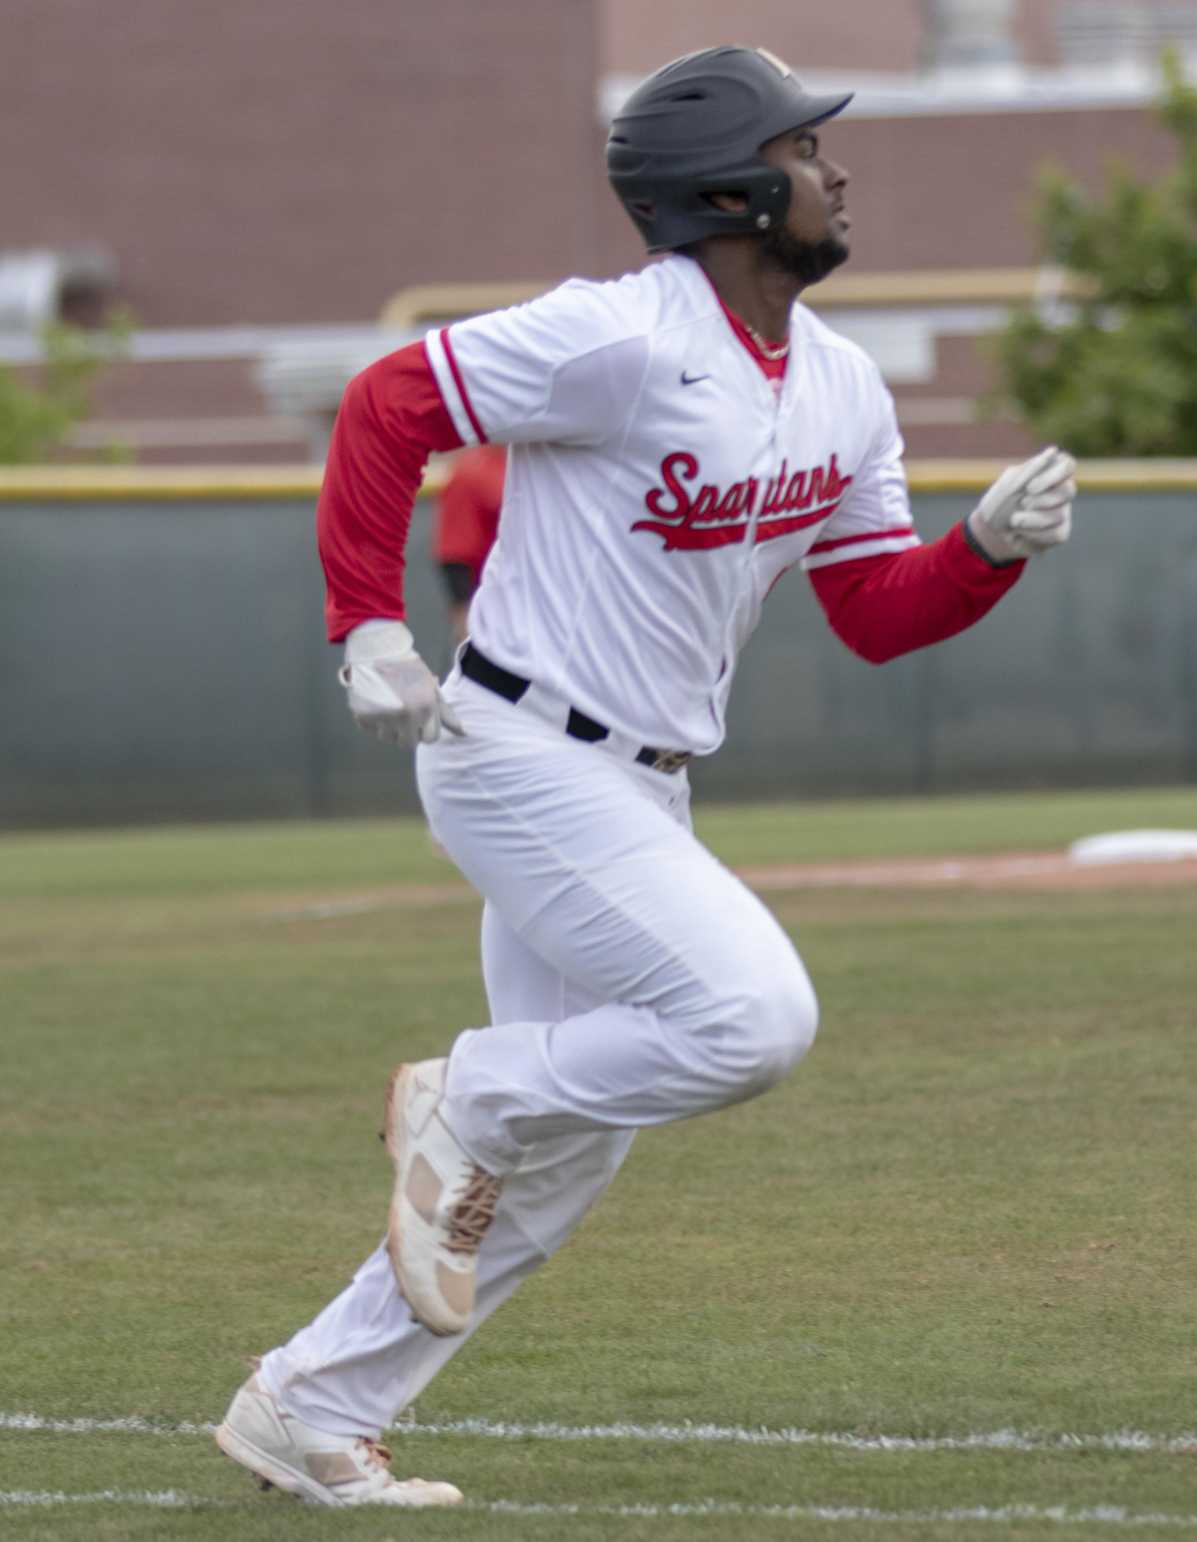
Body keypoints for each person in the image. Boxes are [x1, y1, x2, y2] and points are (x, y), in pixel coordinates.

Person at [213, 45, 1078, 1506]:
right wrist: (365, 619)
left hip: (640, 782)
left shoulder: (847, 387)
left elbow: (874, 611)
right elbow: (384, 405)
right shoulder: (614, 335)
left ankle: (308, 1402)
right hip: (515, 750)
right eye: (809, 149)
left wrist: (982, 552)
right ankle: (472, 1089)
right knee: (752, 1016)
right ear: (734, 189)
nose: (838, 168)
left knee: (561, 1167)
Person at [434, 443, 507, 645]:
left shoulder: (547, 463)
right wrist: (466, 628)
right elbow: (455, 558)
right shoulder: (474, 470)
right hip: (495, 617)